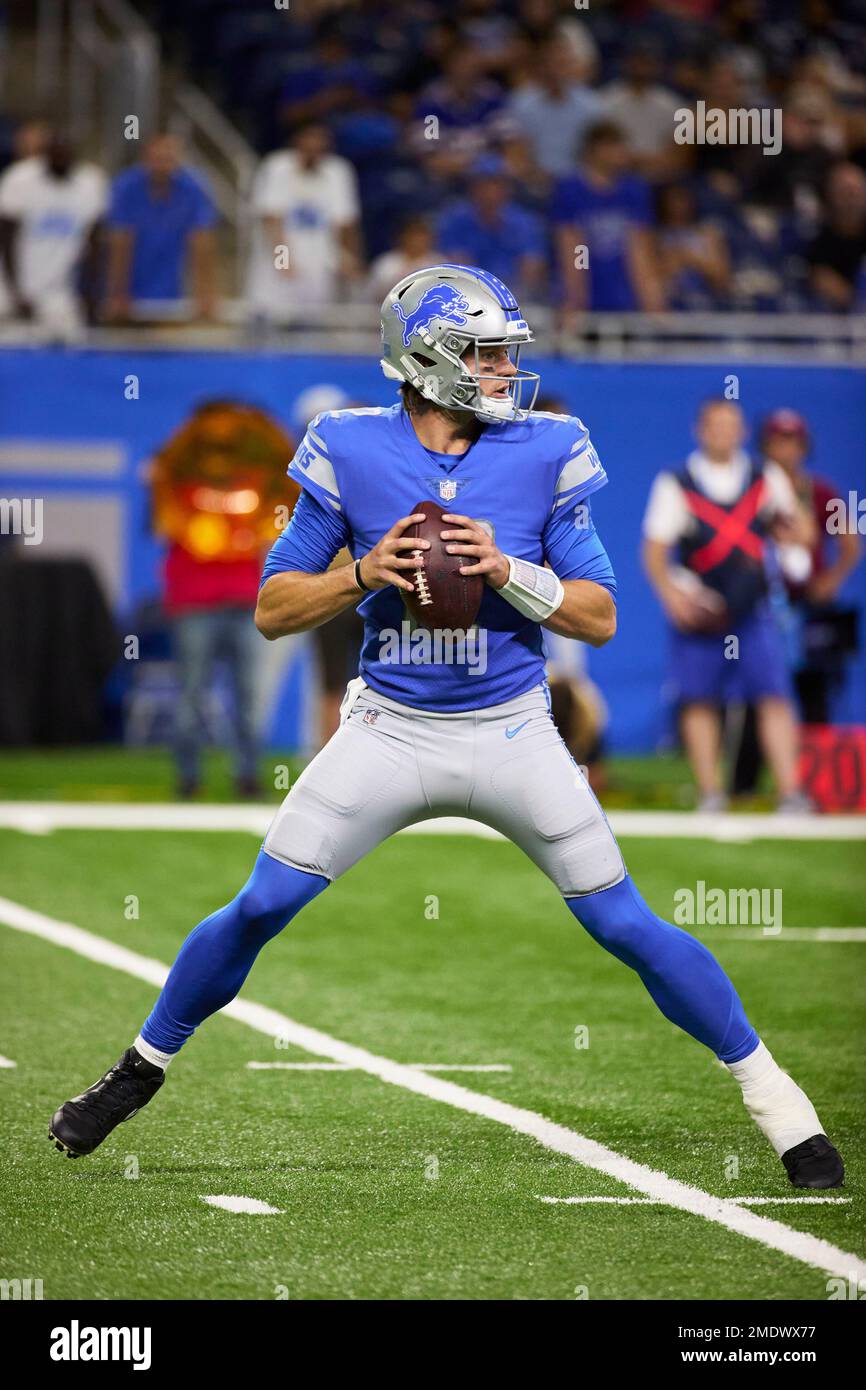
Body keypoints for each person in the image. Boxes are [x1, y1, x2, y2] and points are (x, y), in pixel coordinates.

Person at [49, 266, 843, 1193]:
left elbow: (599, 616)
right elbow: (271, 608)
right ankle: (138, 1070)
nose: (507, 369)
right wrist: (360, 573)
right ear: (429, 360)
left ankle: (780, 1104)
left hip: (512, 729)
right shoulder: (348, 444)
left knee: (622, 921)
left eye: (506, 352)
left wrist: (507, 570)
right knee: (261, 905)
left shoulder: (547, 447)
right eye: (488, 353)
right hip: (388, 728)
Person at [642, 399, 816, 814]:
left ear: (742, 432)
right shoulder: (676, 481)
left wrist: (794, 531)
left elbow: (805, 533)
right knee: (699, 699)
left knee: (774, 696)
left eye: (730, 425)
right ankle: (710, 793)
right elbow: (654, 550)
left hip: (754, 610)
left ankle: (791, 793)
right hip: (702, 613)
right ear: (700, 430)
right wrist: (672, 597)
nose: (723, 432)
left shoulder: (765, 476)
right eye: (715, 425)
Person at [149, 399, 299, 799]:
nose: (223, 441)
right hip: (194, 602)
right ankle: (188, 780)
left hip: (246, 601)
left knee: (250, 694)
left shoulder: (263, 480)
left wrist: (249, 534)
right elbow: (166, 525)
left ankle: (248, 777)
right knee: (191, 694)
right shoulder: (175, 478)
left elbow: (281, 513)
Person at [762, 408, 862, 723]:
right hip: (765, 603)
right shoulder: (754, 490)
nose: (786, 450)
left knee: (814, 687)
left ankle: (817, 747)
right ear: (766, 447)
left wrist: (831, 580)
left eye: (793, 442)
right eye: (778, 442)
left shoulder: (820, 493)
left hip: (810, 605)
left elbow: (850, 542)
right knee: (763, 686)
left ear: (804, 447)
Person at [247, 122, 362, 325]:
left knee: (313, 323)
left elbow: (345, 221)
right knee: (273, 317)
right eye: (309, 141)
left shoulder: (337, 171)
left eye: (319, 141)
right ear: (297, 141)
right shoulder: (278, 166)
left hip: (318, 269)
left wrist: (347, 257)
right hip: (281, 269)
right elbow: (272, 219)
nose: (314, 146)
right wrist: (283, 261)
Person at [0, 133, 107, 341]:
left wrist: (91, 292)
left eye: (65, 155)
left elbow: (94, 241)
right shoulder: (20, 179)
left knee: (71, 347)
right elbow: (6, 238)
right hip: (14, 289)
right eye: (55, 155)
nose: (60, 159)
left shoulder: (90, 182)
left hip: (61, 293)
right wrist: (16, 292)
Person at [553, 120, 663, 320]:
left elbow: (639, 248)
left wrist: (651, 298)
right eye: (615, 146)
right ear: (596, 150)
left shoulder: (634, 190)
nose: (623, 152)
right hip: (590, 287)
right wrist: (576, 296)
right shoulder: (571, 189)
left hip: (624, 292)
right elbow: (574, 246)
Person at [105, 133, 218, 322]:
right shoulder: (126, 187)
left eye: (168, 159)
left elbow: (202, 243)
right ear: (145, 158)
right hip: (133, 282)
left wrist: (206, 293)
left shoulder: (193, 187)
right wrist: (118, 292)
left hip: (172, 285)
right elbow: (121, 242)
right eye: (158, 159)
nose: (163, 166)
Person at [436, 155, 546, 297]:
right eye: (482, 184)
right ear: (472, 188)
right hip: (468, 294)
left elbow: (532, 266)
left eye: (496, 183)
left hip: (516, 295)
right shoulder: (454, 220)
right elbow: (456, 265)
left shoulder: (525, 222)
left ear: (507, 188)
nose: (489, 191)